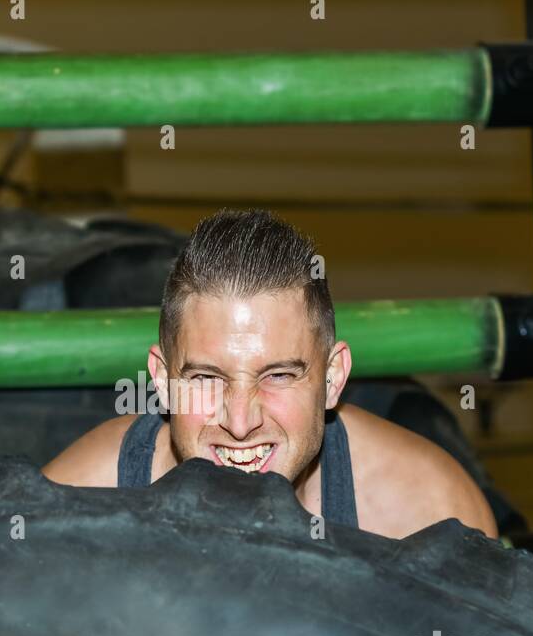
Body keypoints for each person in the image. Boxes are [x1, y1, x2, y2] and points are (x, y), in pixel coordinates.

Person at [44, 208, 497, 540]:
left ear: (333, 377)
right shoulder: (82, 503)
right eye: (206, 378)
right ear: (162, 381)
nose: (240, 423)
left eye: (278, 376)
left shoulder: (425, 517)